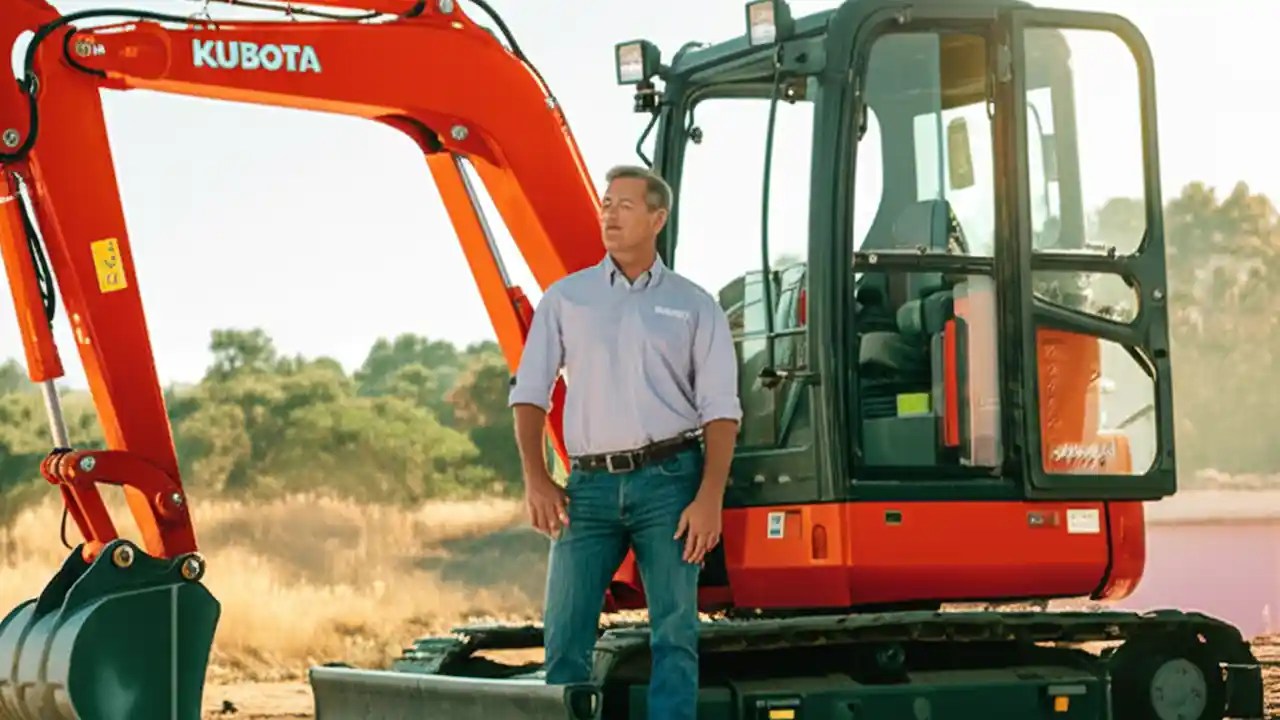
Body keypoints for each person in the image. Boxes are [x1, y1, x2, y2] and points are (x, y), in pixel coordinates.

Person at [507, 164, 741, 719]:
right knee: (564, 635)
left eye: (624, 205)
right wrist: (537, 478)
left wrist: (710, 498)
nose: (609, 213)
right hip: (586, 489)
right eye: (606, 203)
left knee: (674, 635)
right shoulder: (567, 299)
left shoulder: (694, 305)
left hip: (670, 483)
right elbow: (530, 392)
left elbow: (721, 411)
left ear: (657, 218)